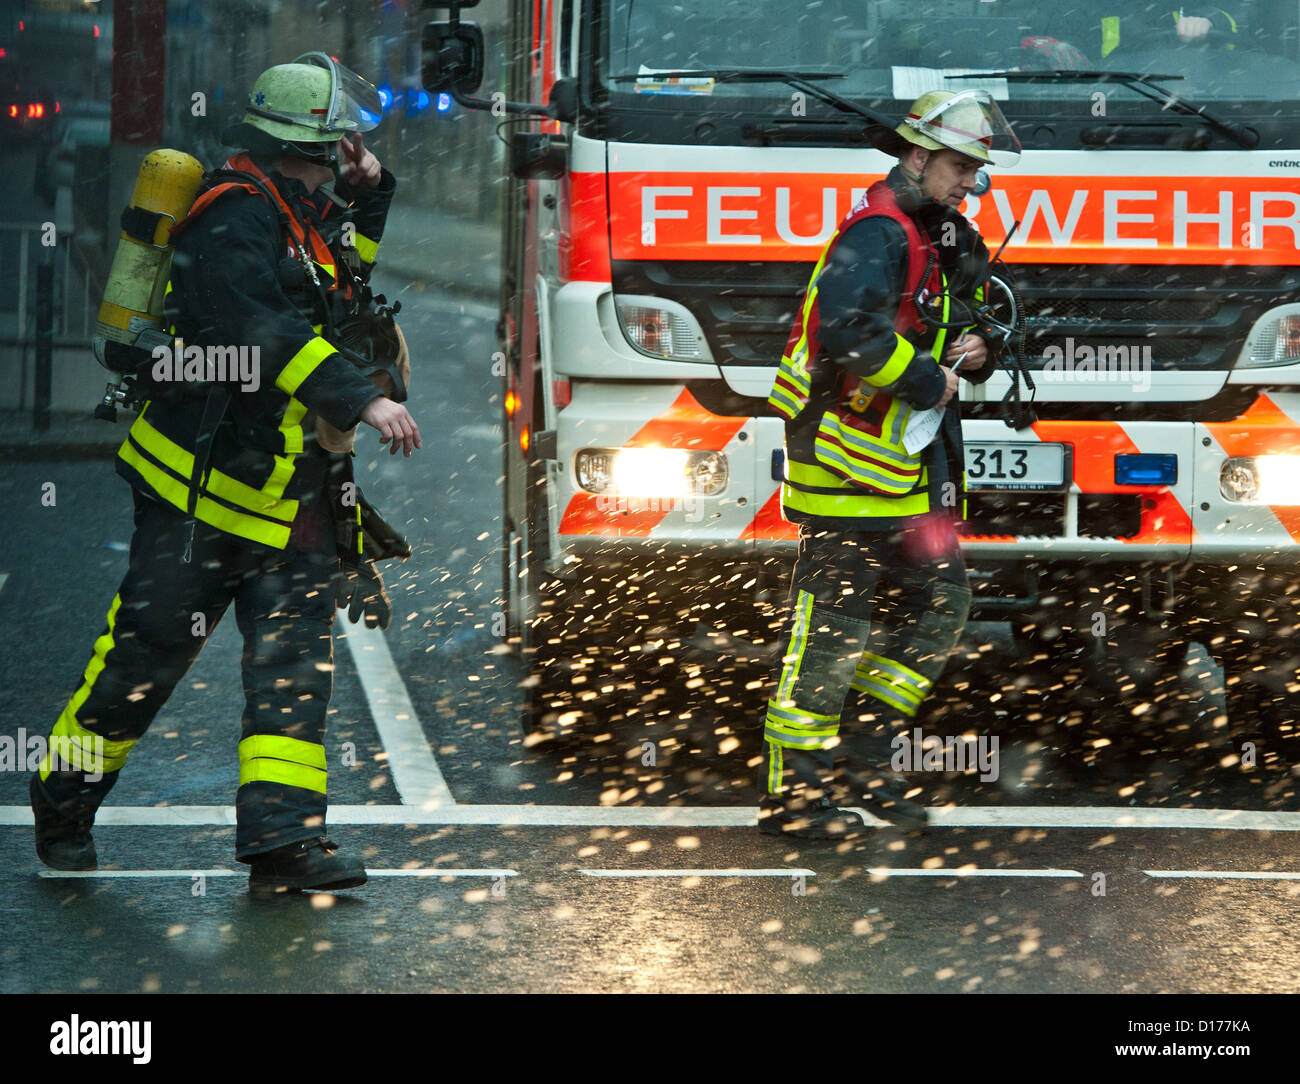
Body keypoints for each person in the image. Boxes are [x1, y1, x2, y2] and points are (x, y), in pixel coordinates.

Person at [29, 53, 421, 893]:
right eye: (334, 150)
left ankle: (283, 845)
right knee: (143, 664)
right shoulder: (230, 217)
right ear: (301, 149)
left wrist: (374, 189)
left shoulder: (304, 215)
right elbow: (261, 325)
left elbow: (347, 282)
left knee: (291, 673)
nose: (338, 165)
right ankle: (62, 797)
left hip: (291, 496)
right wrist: (360, 398)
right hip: (200, 495)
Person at [758, 89, 1019, 839]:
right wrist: (928, 379)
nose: (972, 179)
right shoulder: (877, 233)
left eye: (976, 167)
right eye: (962, 165)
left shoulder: (935, 233)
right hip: (845, 475)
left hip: (900, 478)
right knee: (830, 637)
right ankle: (795, 800)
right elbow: (848, 330)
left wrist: (979, 351)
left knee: (943, 604)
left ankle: (867, 766)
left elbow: (969, 316)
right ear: (917, 156)